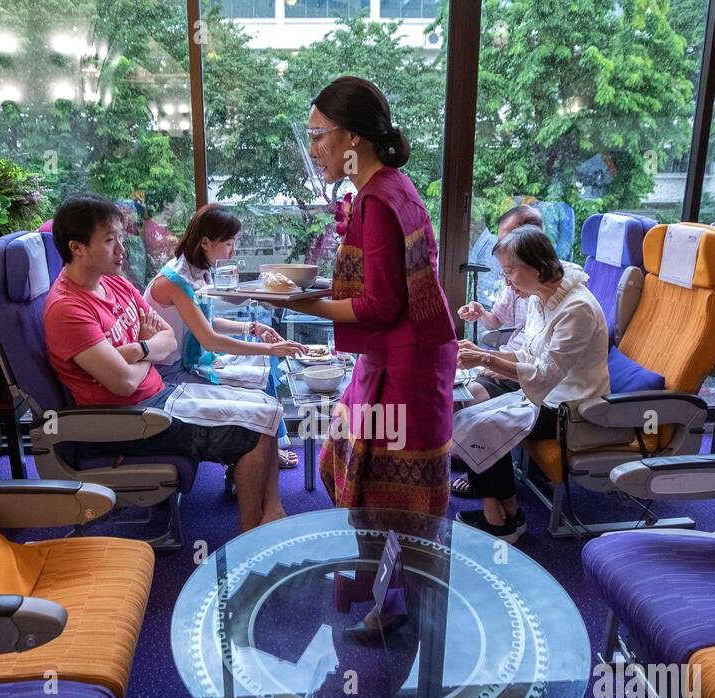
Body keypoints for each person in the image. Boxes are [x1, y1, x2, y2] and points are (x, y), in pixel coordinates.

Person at [43, 194, 297, 532]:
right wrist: (151, 351)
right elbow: (124, 383)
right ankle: (250, 536)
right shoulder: (67, 310)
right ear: (77, 247)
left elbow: (169, 341)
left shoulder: (114, 283)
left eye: (121, 237)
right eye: (109, 240)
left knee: (266, 409)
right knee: (254, 432)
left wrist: (135, 351)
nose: (122, 249)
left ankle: (270, 515)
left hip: (162, 392)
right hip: (134, 421)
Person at [266, 76, 458, 518]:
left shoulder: (376, 200)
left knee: (382, 498)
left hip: (405, 365)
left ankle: (386, 579)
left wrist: (294, 302)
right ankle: (380, 580)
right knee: (343, 455)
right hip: (409, 352)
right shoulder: (392, 185)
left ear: (352, 136)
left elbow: (379, 306)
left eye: (319, 135)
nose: (314, 148)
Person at [452, 225, 610, 542]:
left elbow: (545, 375)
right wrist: (484, 356)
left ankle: (500, 519)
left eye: (511, 271)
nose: (507, 280)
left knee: (480, 422)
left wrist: (485, 359)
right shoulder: (542, 295)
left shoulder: (576, 309)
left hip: (572, 409)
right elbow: (528, 353)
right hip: (544, 394)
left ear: (537, 267)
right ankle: (508, 508)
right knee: (468, 406)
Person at [144, 203, 303, 470]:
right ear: (206, 242)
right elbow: (210, 340)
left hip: (193, 359)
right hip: (172, 372)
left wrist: (252, 328)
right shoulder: (174, 281)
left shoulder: (194, 271)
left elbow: (203, 321)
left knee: (262, 372)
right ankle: (247, 464)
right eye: (229, 243)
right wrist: (270, 349)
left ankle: (264, 455)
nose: (234, 251)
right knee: (254, 382)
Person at [456, 204, 544, 403]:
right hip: (511, 362)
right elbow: (494, 322)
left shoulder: (557, 298)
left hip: (521, 375)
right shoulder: (518, 281)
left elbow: (543, 371)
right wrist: (481, 313)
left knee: (463, 400)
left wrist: (487, 359)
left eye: (507, 241)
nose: (507, 281)